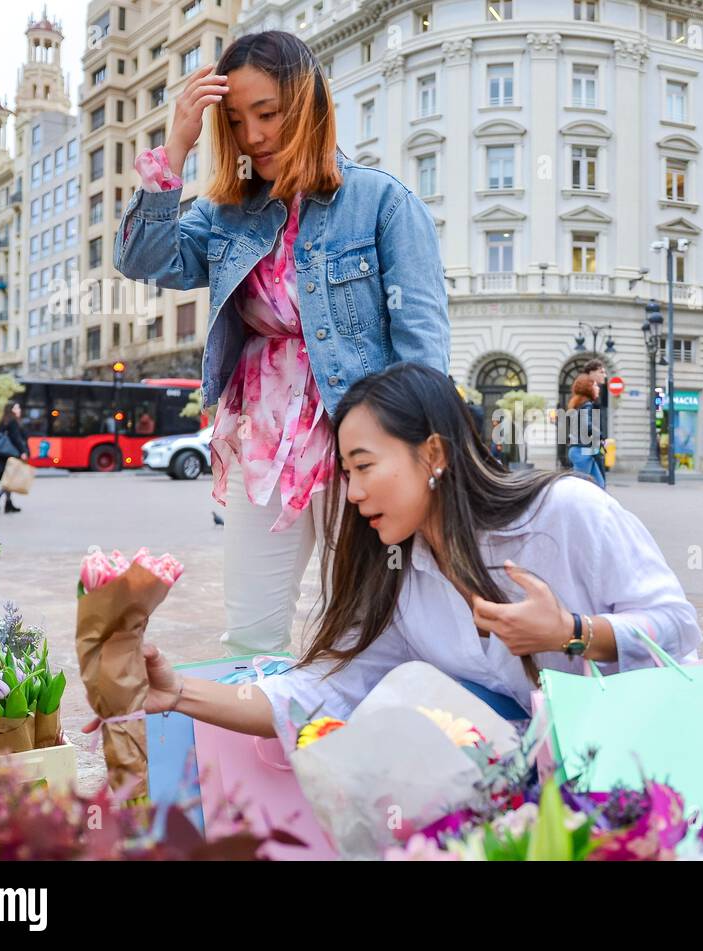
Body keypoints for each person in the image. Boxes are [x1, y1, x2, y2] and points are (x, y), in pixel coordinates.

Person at [86, 363, 703, 753]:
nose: (351, 495)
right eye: (345, 472)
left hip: (648, 758)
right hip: (542, 772)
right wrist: (176, 693)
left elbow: (677, 627)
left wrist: (571, 633)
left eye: (363, 468)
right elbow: (316, 695)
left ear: (433, 454)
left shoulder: (565, 512)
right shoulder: (396, 573)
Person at [114, 31, 449, 656]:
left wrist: (418, 460)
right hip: (261, 442)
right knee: (251, 632)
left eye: (268, 113)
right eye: (236, 121)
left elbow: (423, 349)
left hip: (360, 439)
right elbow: (143, 259)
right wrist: (176, 148)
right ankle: (257, 751)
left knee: (367, 631)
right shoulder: (227, 213)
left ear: (309, 104)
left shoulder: (382, 203)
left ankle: (355, 749)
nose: (255, 135)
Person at [0, 402, 30, 514]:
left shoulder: (4, 421)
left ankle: (8, 503)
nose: (19, 409)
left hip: (2, 454)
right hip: (10, 454)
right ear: (11, 410)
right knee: (10, 479)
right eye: (17, 407)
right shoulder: (13, 422)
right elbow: (16, 438)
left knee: (8, 478)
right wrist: (23, 452)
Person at [565, 376, 605, 489]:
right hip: (581, 451)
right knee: (580, 487)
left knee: (599, 485)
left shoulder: (579, 405)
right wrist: (600, 436)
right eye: (595, 385)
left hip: (583, 450)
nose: (598, 388)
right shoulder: (587, 406)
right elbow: (586, 424)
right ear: (588, 388)